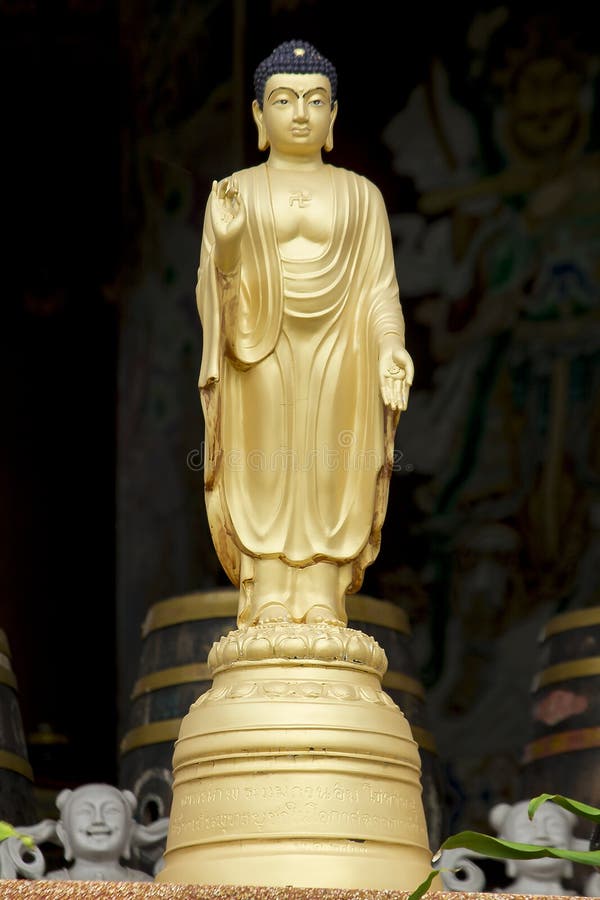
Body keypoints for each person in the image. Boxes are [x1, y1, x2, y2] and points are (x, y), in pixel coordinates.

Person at [197, 40, 413, 627]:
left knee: (330, 466)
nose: (299, 113)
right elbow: (216, 290)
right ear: (258, 116)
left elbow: (378, 292)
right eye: (284, 100)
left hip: (342, 354)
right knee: (264, 465)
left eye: (315, 100)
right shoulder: (235, 191)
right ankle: (267, 591)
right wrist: (230, 242)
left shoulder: (362, 197)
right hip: (257, 350)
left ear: (334, 116)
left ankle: (322, 595)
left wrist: (392, 347)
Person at [44, 783, 154, 881]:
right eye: (85, 811)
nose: (98, 820)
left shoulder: (146, 884)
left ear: (129, 830)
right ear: (63, 832)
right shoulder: (49, 885)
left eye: (111, 811)